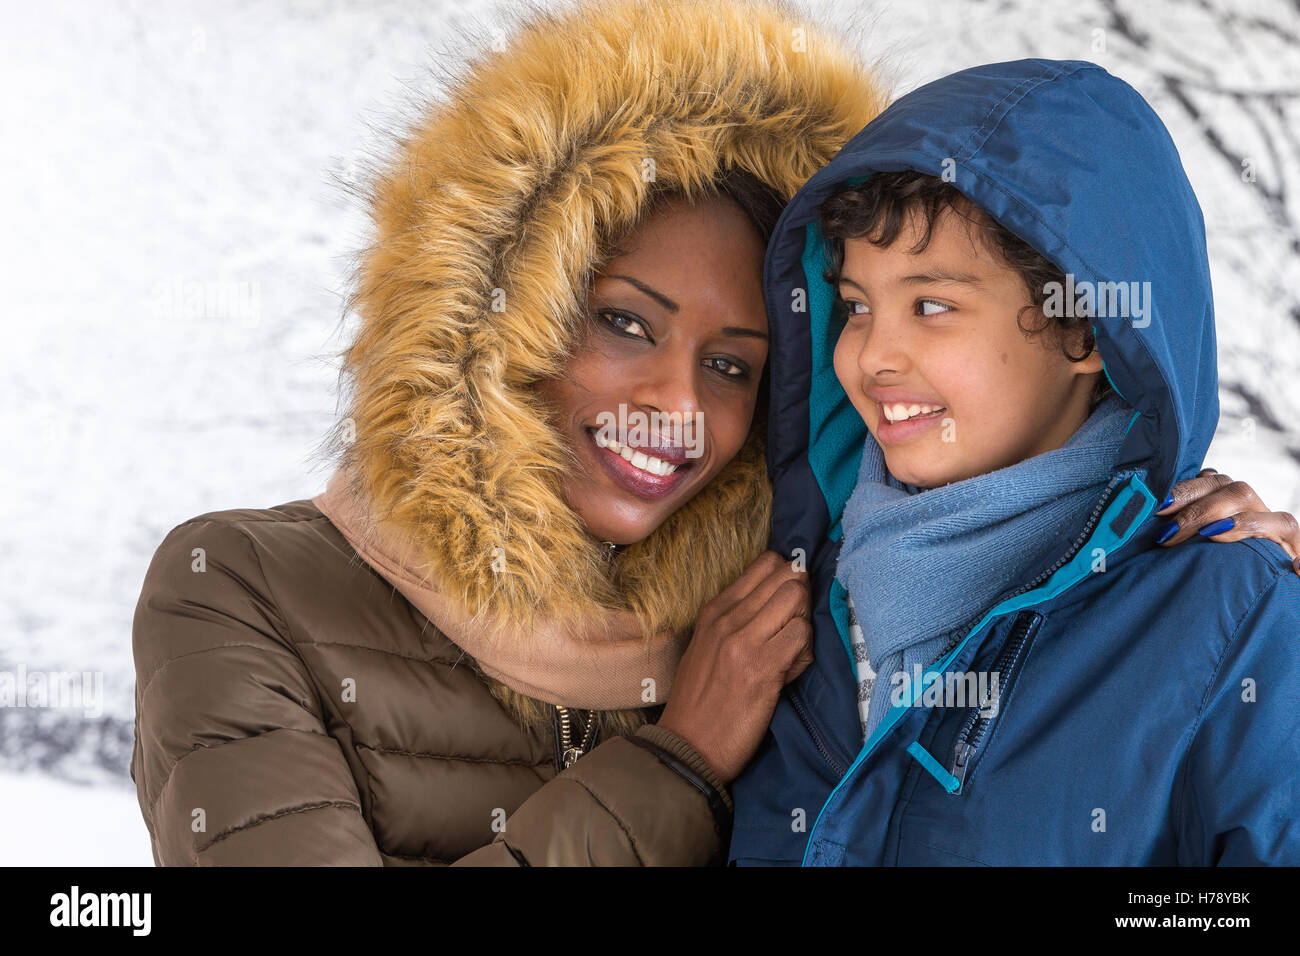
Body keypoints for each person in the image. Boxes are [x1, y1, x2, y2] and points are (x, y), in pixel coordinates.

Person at [130, 2, 1292, 865]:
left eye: (736, 362)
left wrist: (1200, 536)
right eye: (625, 322)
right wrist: (676, 759)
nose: (677, 404)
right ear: (492, 310)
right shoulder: (237, 586)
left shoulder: (771, 599)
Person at [728, 58, 1300, 866]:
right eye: (857, 306)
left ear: (1085, 330)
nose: (872, 356)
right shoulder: (790, 612)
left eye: (932, 305)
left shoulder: (1230, 617)